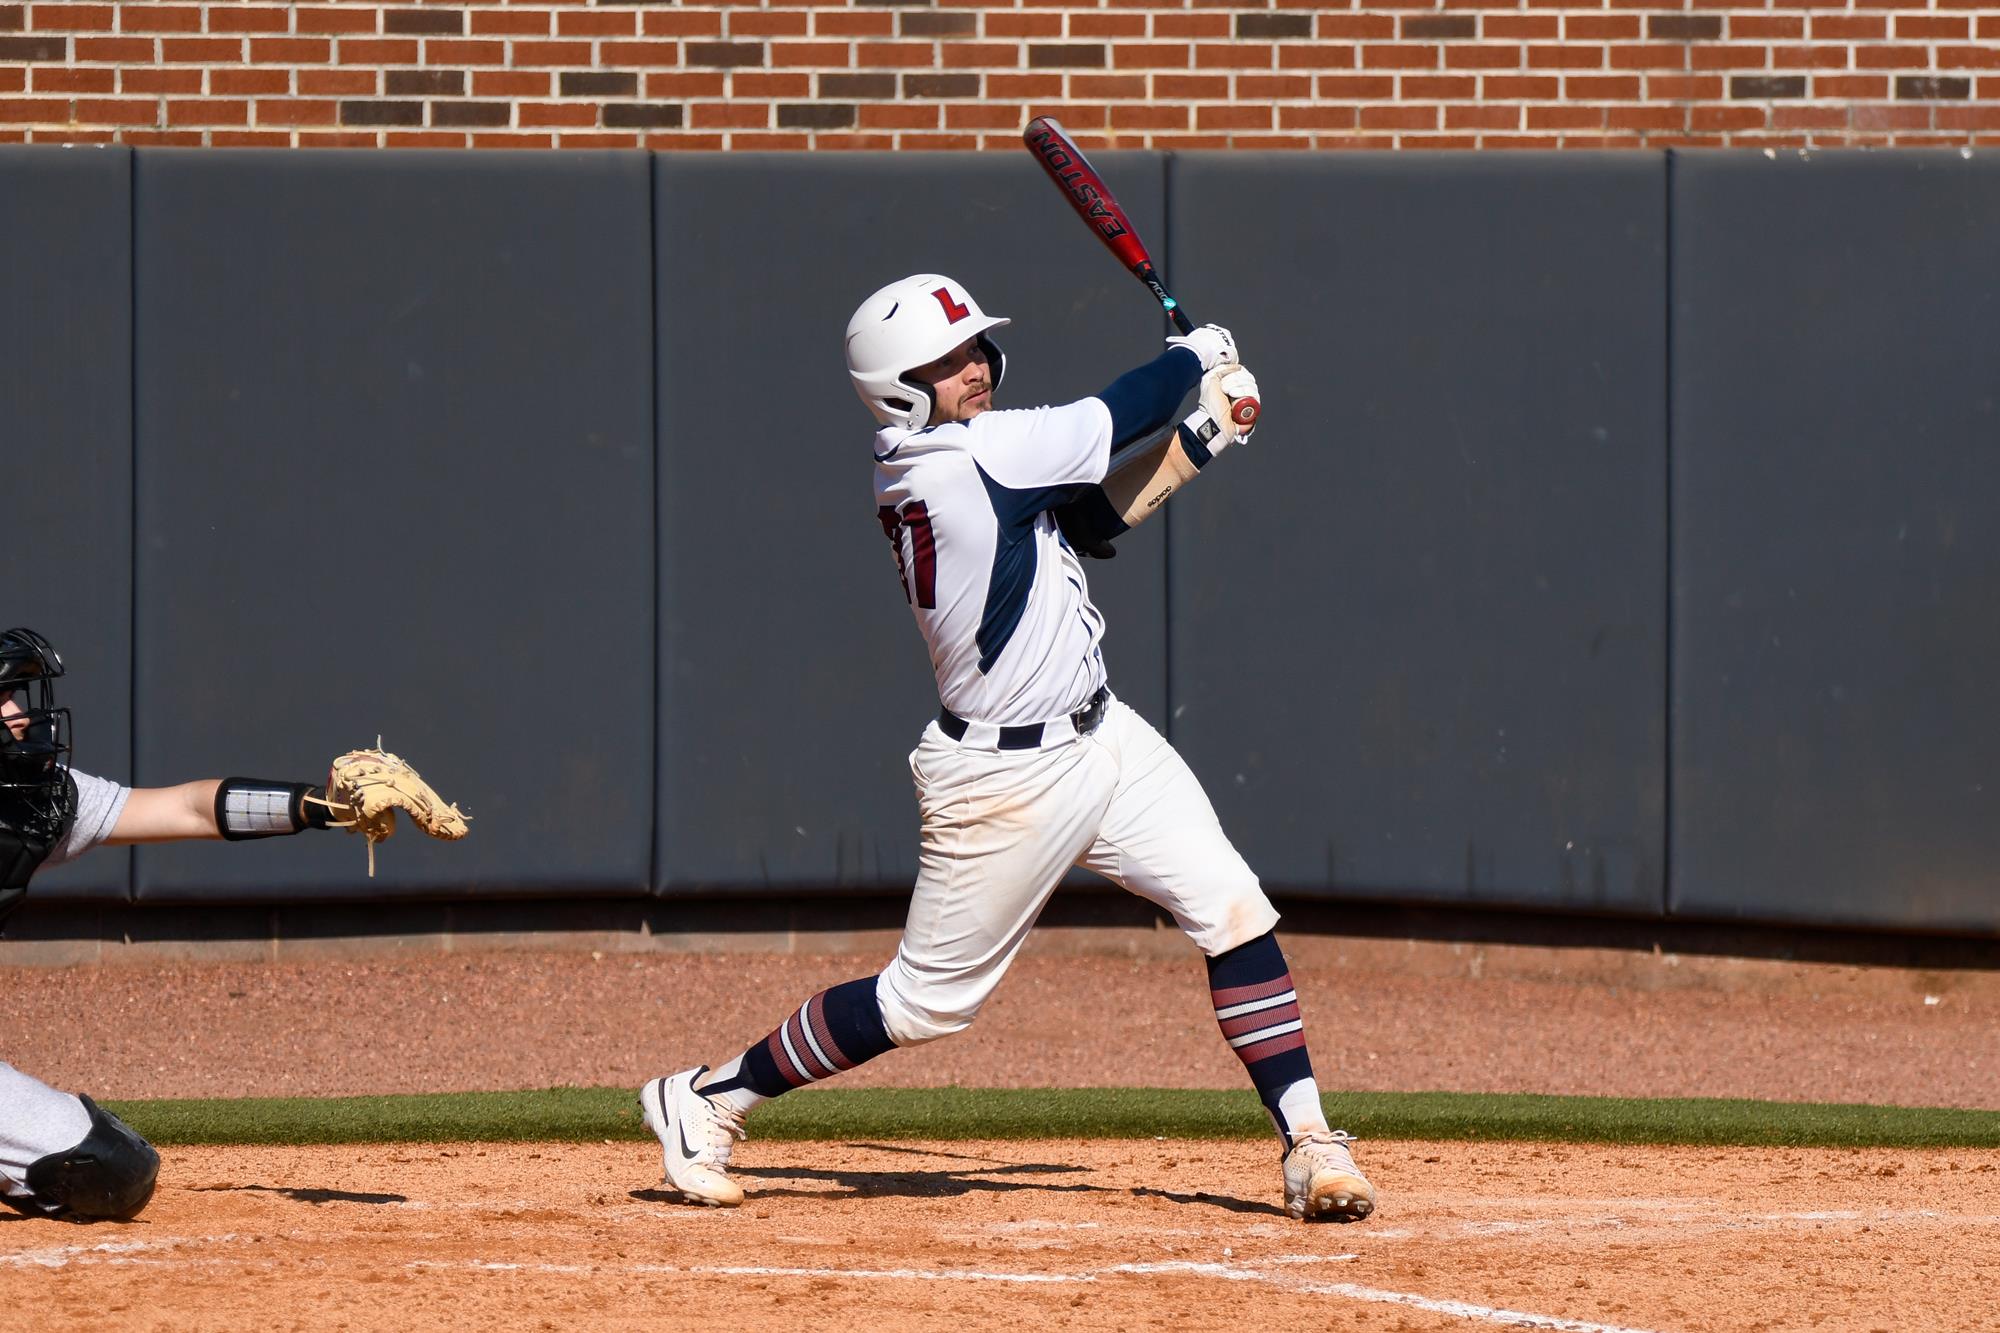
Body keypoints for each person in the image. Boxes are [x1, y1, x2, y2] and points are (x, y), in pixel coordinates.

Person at [639, 274, 1377, 1222]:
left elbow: (1087, 519)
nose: (975, 367)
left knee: (1231, 905)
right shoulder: (961, 459)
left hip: (1103, 734)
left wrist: (1201, 441)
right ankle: (704, 1099)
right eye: (946, 362)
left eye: (976, 348)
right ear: (897, 385)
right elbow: (1112, 417)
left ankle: (1311, 1141)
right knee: (923, 1006)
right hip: (1003, 776)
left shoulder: (961, 460)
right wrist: (1198, 358)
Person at [0, 626, 353, 1222]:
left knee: (110, 1167)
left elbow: (186, 808)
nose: (18, 715)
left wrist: (318, 806)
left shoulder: (30, 798)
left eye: (14, 696)